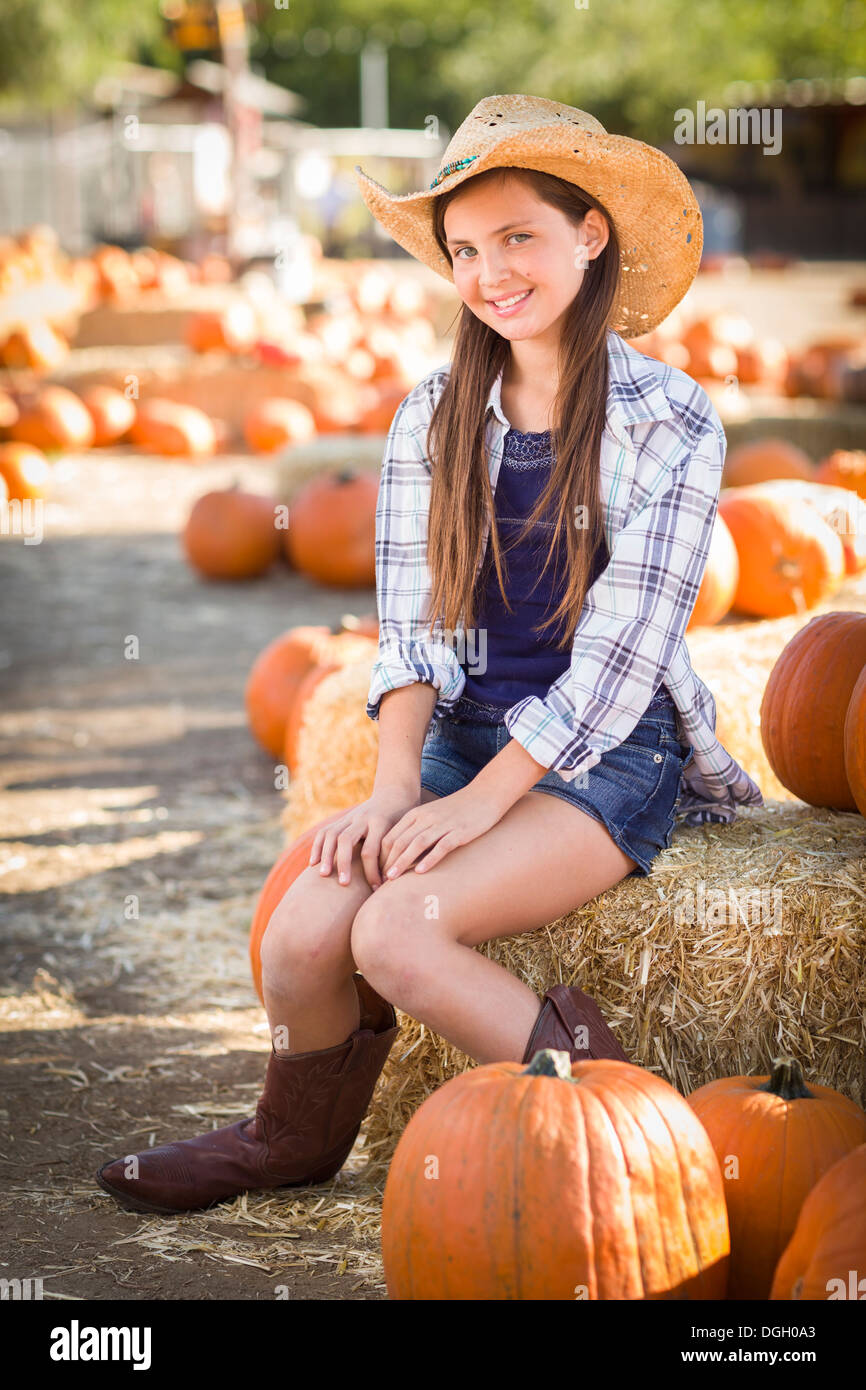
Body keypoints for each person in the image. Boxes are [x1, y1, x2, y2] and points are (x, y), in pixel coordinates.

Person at [96, 93, 762, 1216]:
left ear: (587, 232)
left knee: (398, 934)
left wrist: (482, 804)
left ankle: (631, 1120)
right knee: (306, 930)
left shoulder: (671, 420)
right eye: (464, 249)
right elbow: (408, 634)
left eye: (517, 238)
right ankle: (287, 1143)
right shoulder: (432, 413)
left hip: (602, 756)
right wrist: (397, 787)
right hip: (459, 733)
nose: (490, 273)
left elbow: (617, 657)